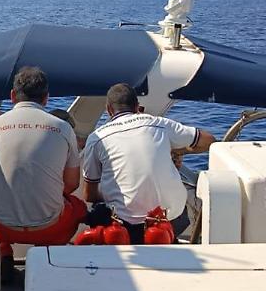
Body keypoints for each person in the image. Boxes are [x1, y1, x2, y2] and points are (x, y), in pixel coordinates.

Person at [0, 67, 84, 282]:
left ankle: (2, 252)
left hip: (2, 225)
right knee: (77, 207)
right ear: (46, 98)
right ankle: (46, 253)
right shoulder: (63, 128)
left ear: (13, 96)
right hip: (50, 227)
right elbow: (71, 184)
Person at [81, 83, 215, 243]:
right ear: (137, 106)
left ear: (109, 109)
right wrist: (178, 151)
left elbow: (89, 195)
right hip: (171, 219)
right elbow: (208, 141)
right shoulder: (160, 124)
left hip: (126, 227)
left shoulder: (97, 138)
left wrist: (112, 191)